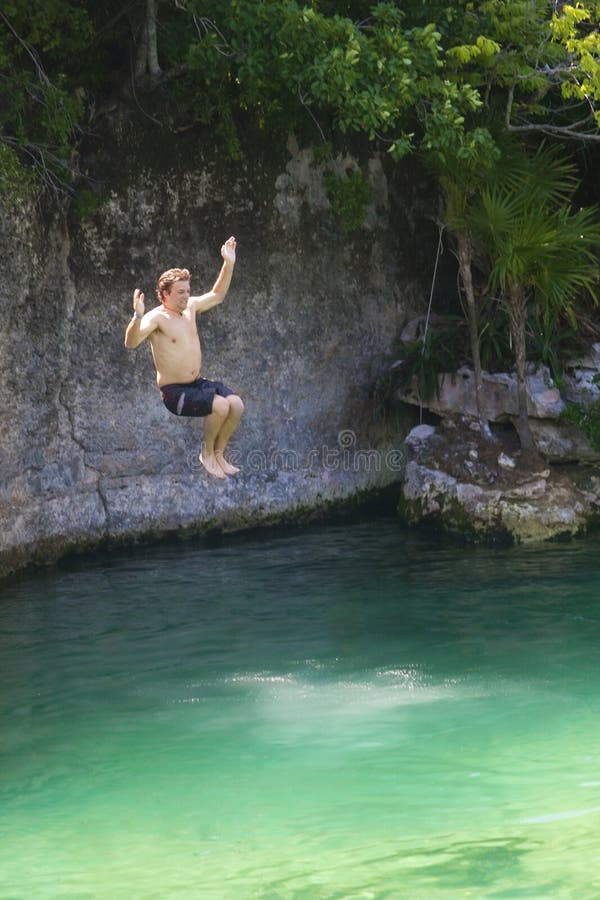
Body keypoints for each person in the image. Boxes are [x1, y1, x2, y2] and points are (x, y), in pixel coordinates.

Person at [124, 236, 244, 479]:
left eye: (187, 291)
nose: (185, 296)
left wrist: (228, 263)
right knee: (220, 406)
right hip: (175, 392)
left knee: (236, 405)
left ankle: (219, 454)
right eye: (180, 292)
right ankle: (207, 454)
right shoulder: (156, 318)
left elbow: (217, 295)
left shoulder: (190, 308)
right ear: (164, 294)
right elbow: (131, 342)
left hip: (196, 383)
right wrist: (137, 317)